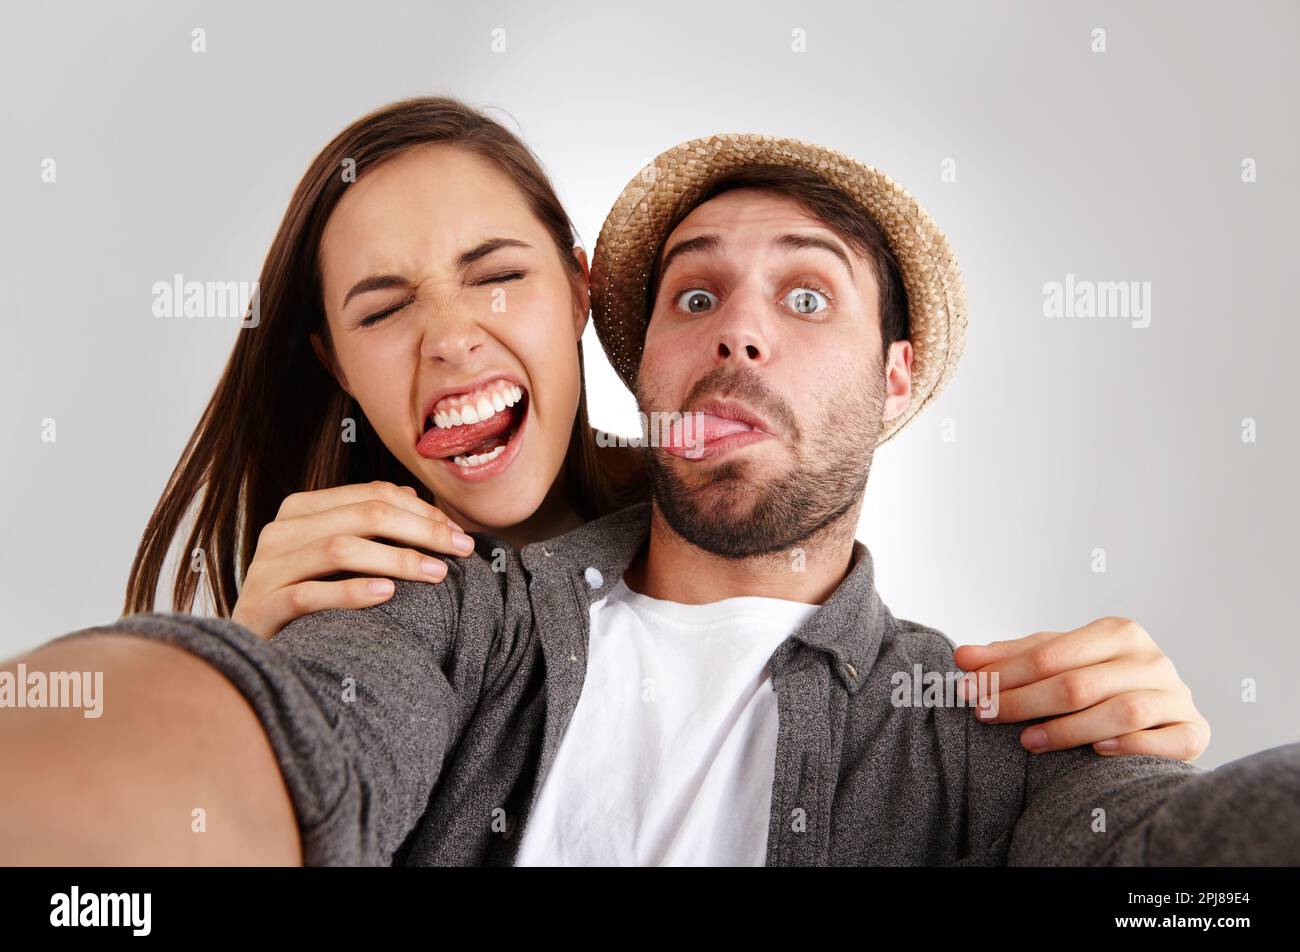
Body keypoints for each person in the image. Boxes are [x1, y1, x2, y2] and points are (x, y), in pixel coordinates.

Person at [4, 132, 1292, 866]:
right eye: (693, 295)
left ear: (897, 378)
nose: (737, 333)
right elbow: (293, 744)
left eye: (805, 296)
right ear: (636, 357)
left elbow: (1158, 864)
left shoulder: (975, 735)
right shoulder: (442, 611)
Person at [119, 97, 1206, 760]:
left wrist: (1132, 720)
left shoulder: (717, 517)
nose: (449, 339)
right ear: (334, 364)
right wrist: (237, 678)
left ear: (581, 293)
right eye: (384, 306)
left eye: (498, 276)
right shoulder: (364, 603)